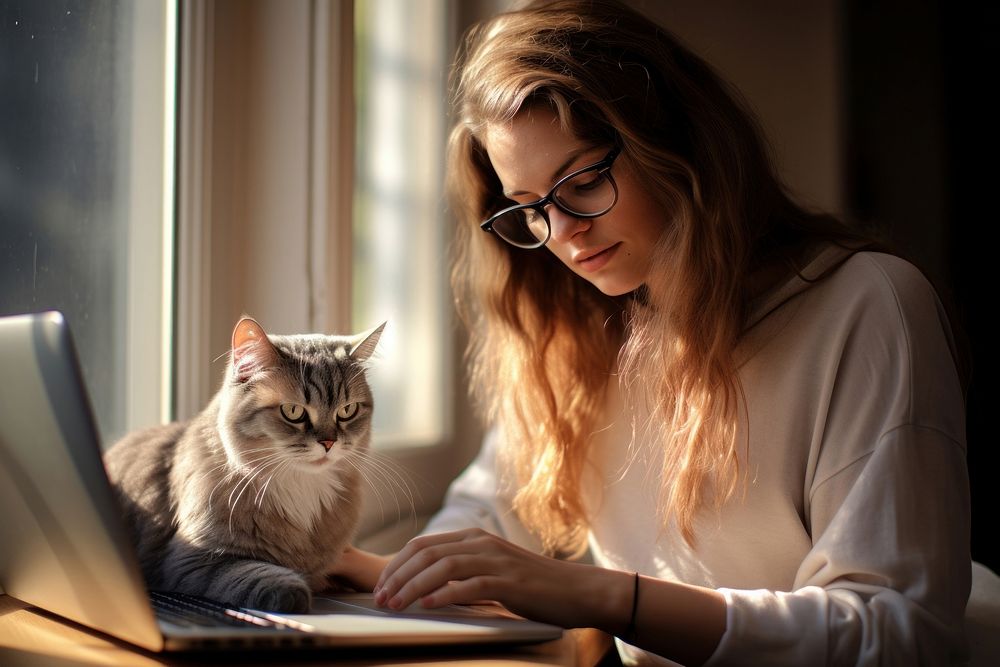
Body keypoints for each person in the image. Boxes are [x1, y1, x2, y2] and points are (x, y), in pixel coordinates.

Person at [332, 0, 972, 664]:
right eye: (528, 210)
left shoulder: (865, 307)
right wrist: (356, 568)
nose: (564, 232)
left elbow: (896, 632)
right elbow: (485, 524)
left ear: (676, 141)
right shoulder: (575, 337)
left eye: (581, 180)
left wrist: (603, 595)